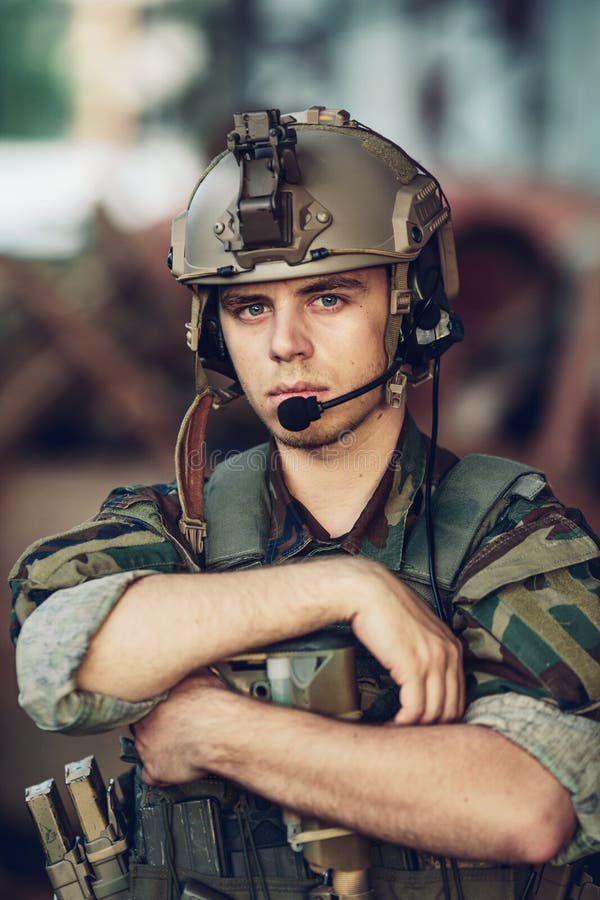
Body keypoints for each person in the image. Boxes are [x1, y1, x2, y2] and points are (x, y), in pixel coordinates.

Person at [10, 107, 600, 900]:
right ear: (215, 333)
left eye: (327, 298)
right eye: (251, 307)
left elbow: (526, 806)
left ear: (410, 312)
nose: (285, 345)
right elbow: (55, 661)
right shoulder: (171, 527)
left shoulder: (513, 534)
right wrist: (344, 586)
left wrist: (214, 729)